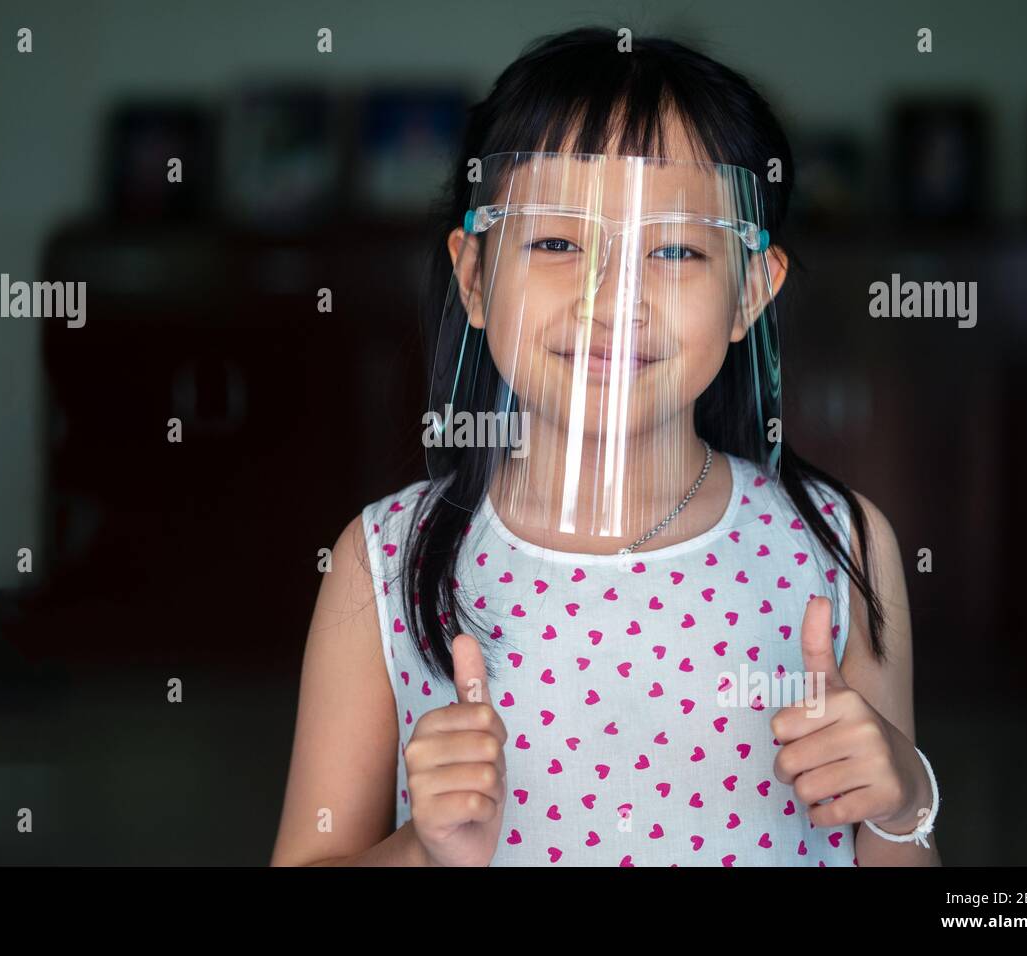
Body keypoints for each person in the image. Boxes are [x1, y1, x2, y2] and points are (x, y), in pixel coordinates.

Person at [271, 26, 940, 867]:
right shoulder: (383, 562)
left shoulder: (838, 548)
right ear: (475, 277)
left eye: (675, 248)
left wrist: (902, 797)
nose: (614, 297)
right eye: (556, 242)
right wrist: (419, 851)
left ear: (750, 293)